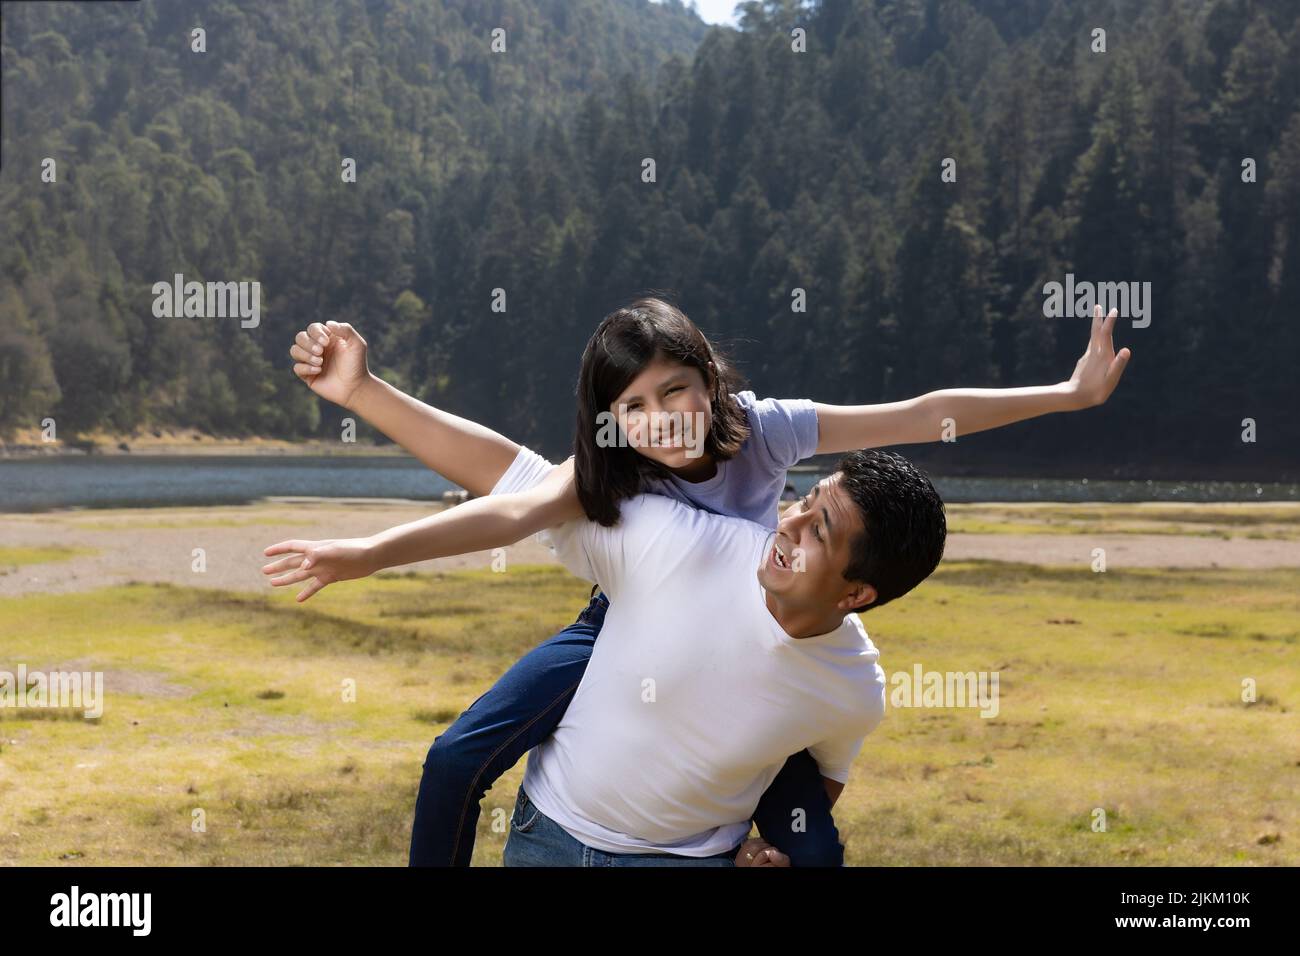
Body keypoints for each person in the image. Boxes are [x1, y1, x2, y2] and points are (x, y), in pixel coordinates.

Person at [262, 298, 1131, 865]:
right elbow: (505, 497)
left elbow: (920, 416)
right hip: (625, 622)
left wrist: (1067, 393)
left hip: (772, 642)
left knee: (810, 846)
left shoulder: (765, 431)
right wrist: (366, 526)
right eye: (631, 408)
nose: (658, 421)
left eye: (674, 391)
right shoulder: (613, 473)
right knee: (456, 756)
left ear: (709, 380)